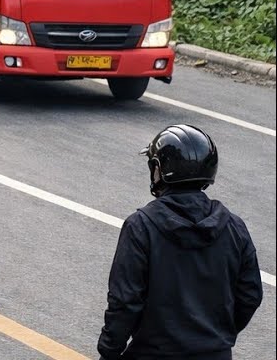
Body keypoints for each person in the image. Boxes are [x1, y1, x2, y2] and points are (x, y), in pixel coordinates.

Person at [98, 124, 262, 360]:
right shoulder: (234, 227)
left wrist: (109, 351)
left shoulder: (141, 227)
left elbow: (125, 301)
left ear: (159, 170)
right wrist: (214, 336)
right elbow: (250, 295)